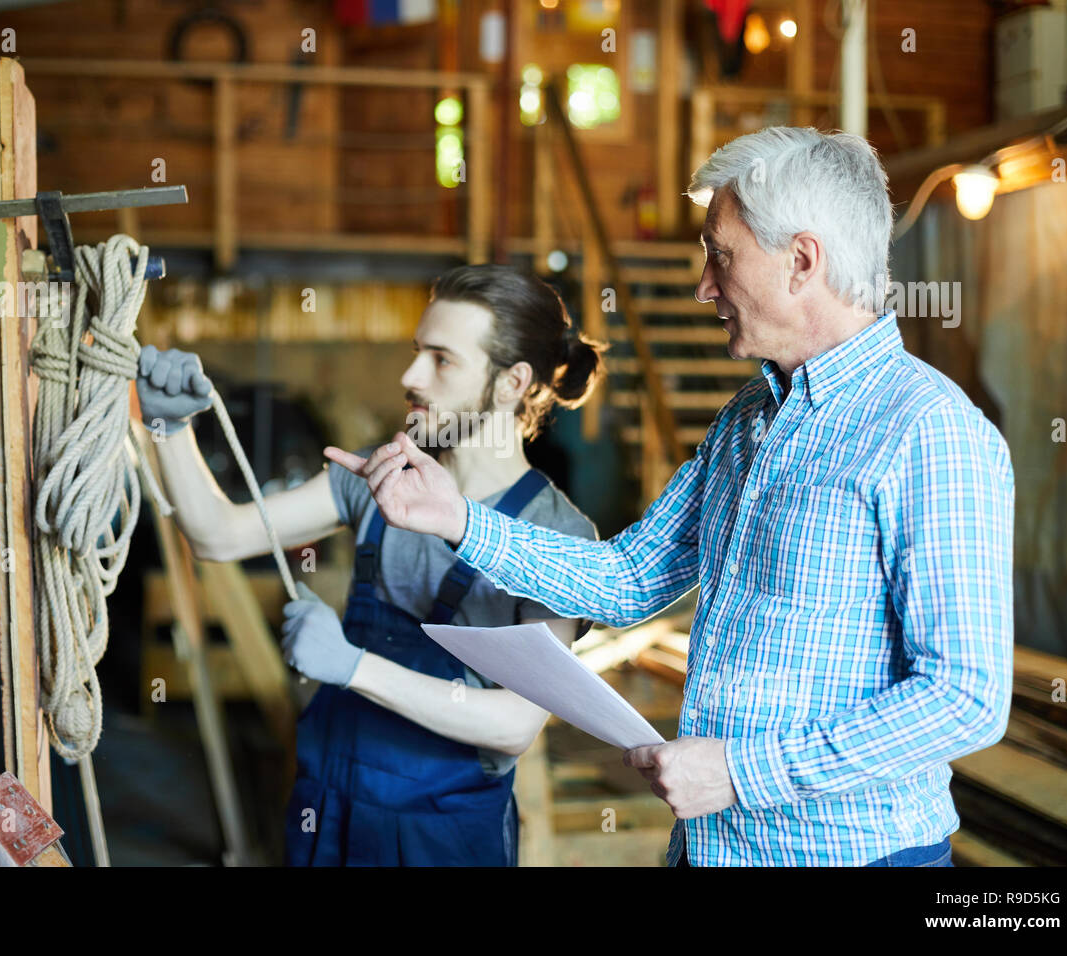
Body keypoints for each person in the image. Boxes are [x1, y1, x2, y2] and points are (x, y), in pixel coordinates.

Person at [328, 127, 1016, 867]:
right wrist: (457, 519)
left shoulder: (929, 432)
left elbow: (965, 696)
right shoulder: (748, 420)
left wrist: (738, 774)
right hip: (708, 849)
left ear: (802, 261)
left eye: (720, 255)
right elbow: (626, 580)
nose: (704, 286)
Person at [136, 264, 603, 866]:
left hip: (444, 835)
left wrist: (353, 666)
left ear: (512, 383)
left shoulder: (557, 534)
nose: (410, 376)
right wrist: (170, 427)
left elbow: (515, 722)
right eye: (417, 352)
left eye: (442, 360)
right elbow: (218, 535)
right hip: (328, 809)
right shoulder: (379, 476)